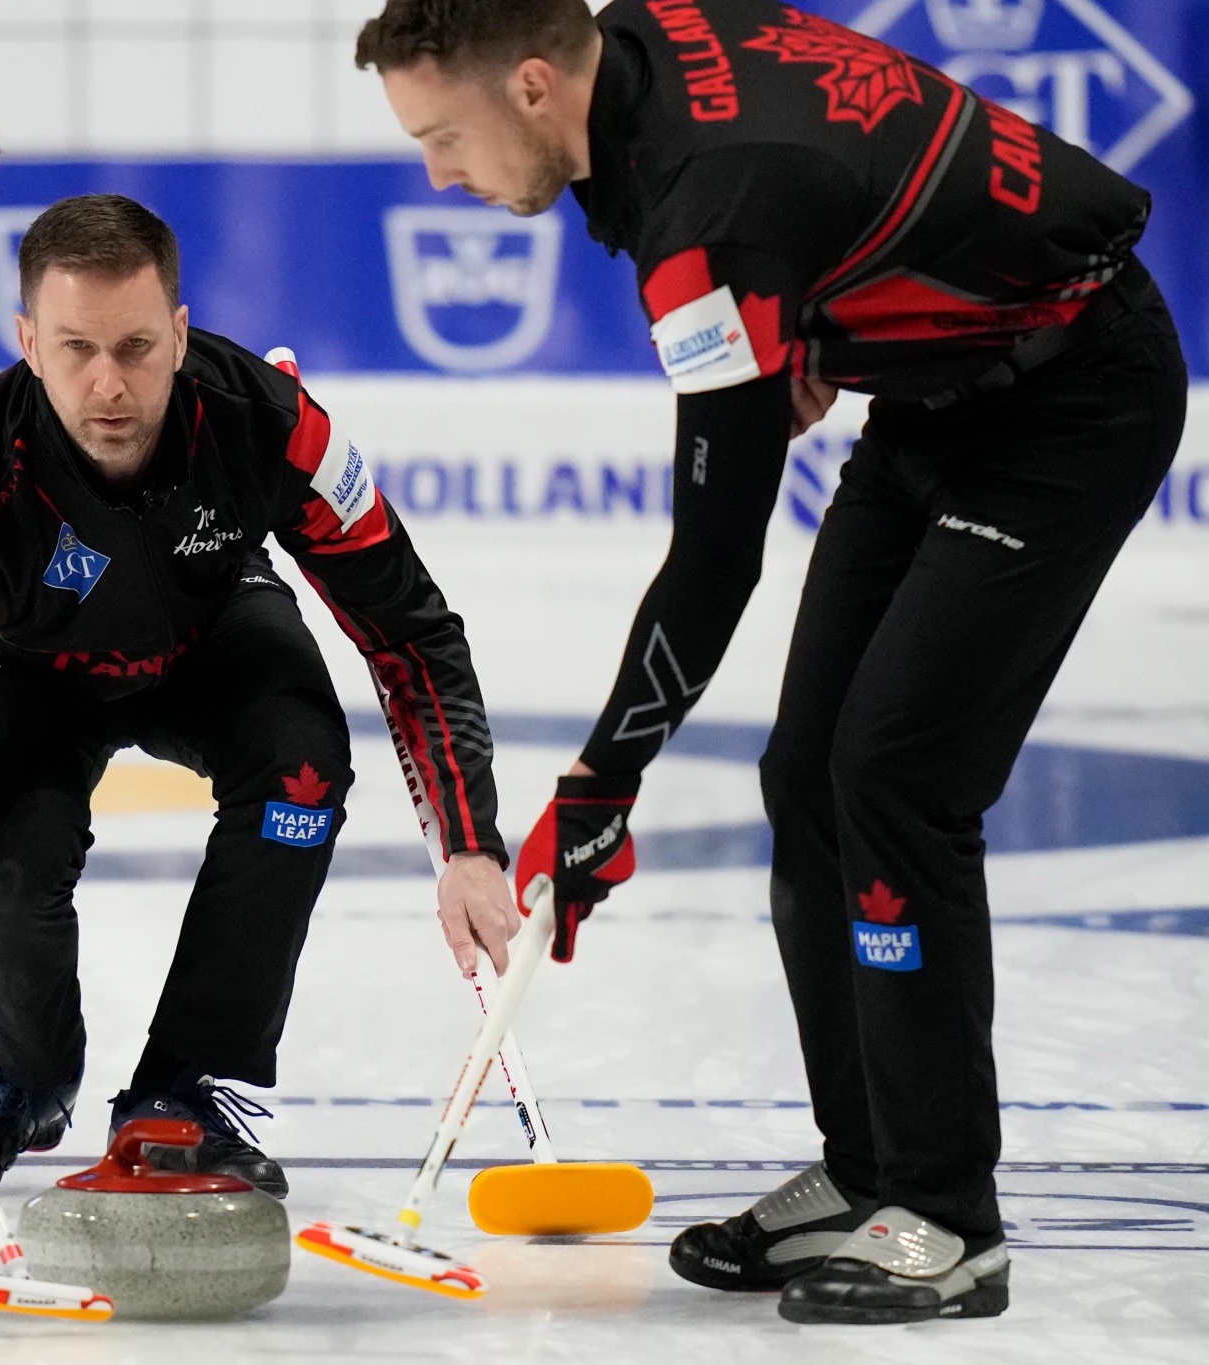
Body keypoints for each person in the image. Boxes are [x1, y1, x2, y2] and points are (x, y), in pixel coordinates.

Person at [357, 0, 1184, 1326]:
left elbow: (715, 558)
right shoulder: (639, 48)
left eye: (441, 137)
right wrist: (804, 321)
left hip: (1072, 401)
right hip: (930, 396)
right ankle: (865, 1173)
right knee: (806, 772)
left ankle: (949, 1218)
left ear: (527, 85)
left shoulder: (713, 217)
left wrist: (599, 787)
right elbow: (836, 165)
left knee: (896, 777)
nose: (437, 177)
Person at [0, 192, 519, 1211]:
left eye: (135, 347)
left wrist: (466, 839)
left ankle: (178, 1092)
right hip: (37, 671)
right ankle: (33, 1080)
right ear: (25, 344)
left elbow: (407, 626)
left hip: (210, 632)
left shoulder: (272, 423)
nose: (107, 385)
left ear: (179, 335)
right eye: (74, 348)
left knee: (301, 766)